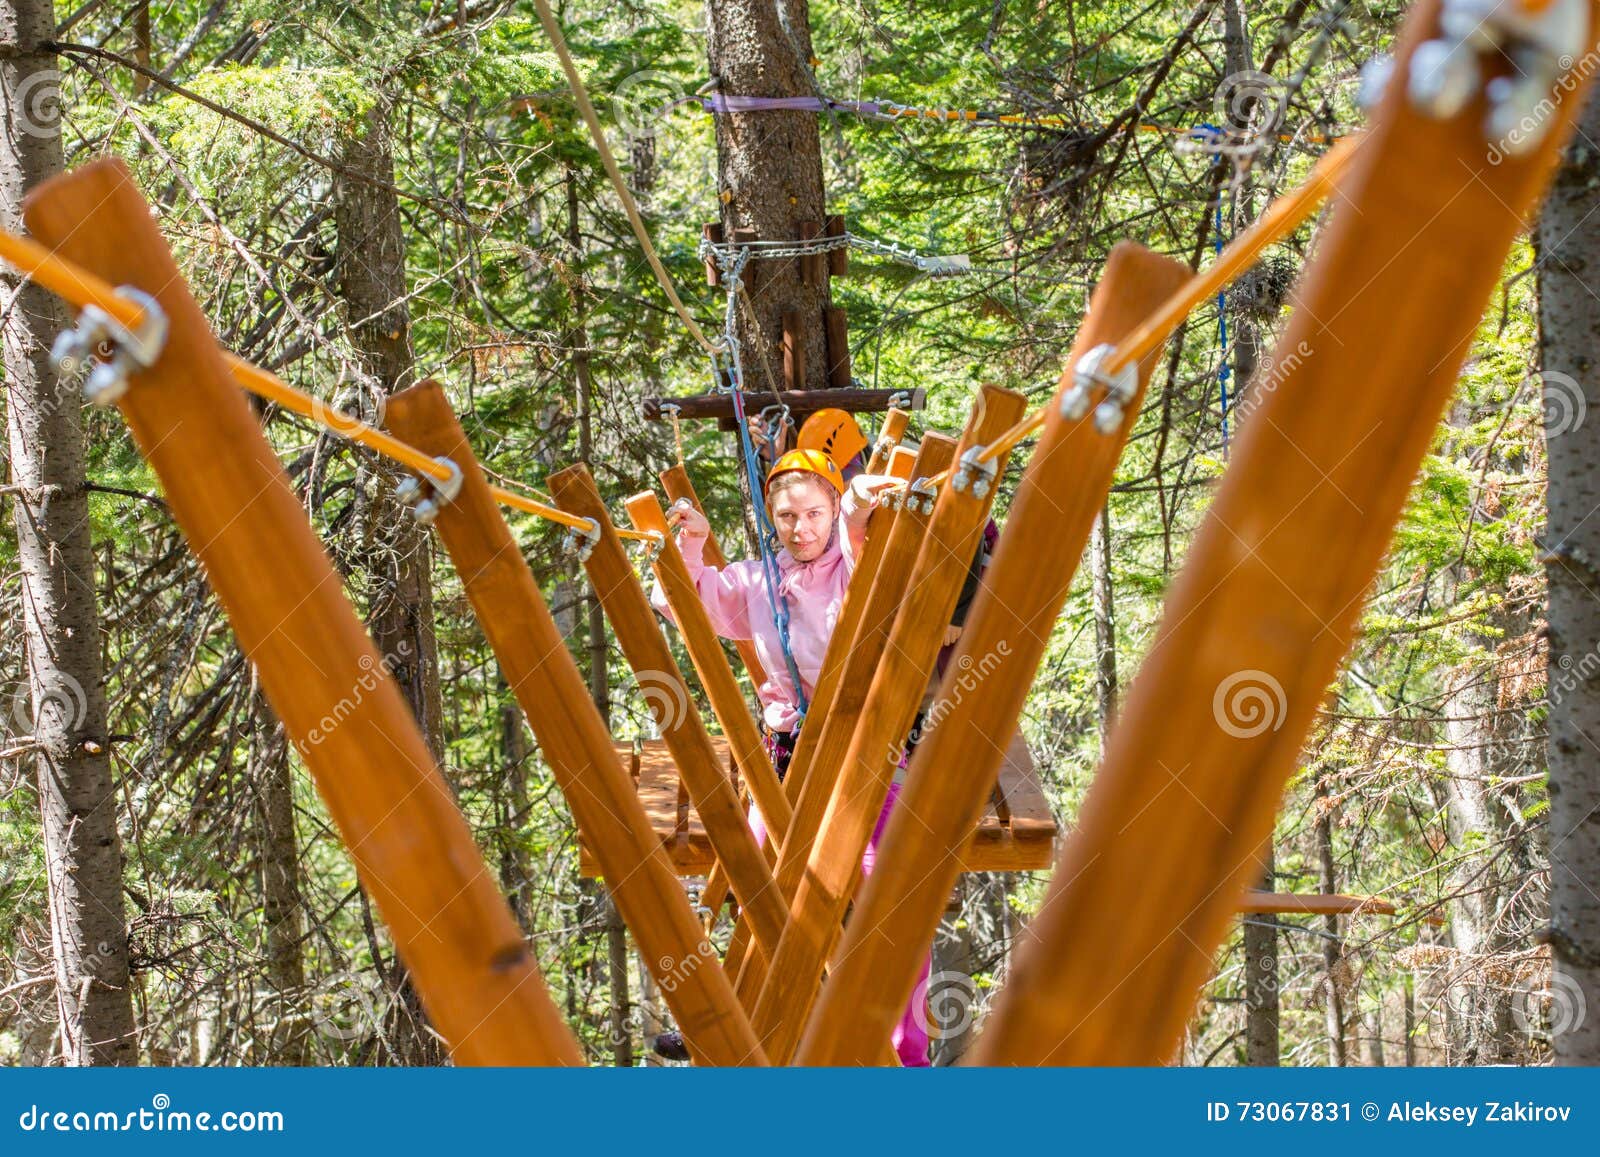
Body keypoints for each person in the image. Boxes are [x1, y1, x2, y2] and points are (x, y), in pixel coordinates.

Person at [648, 442, 932, 1065]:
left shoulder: (857, 567)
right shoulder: (759, 581)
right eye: (786, 518)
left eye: (813, 514)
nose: (801, 530)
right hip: (787, 759)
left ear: (831, 511)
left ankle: (904, 1056)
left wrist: (858, 508)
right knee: (752, 879)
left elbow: (869, 548)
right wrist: (691, 542)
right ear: (770, 519)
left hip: (864, 753)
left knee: (886, 892)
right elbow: (687, 602)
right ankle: (733, 1023)